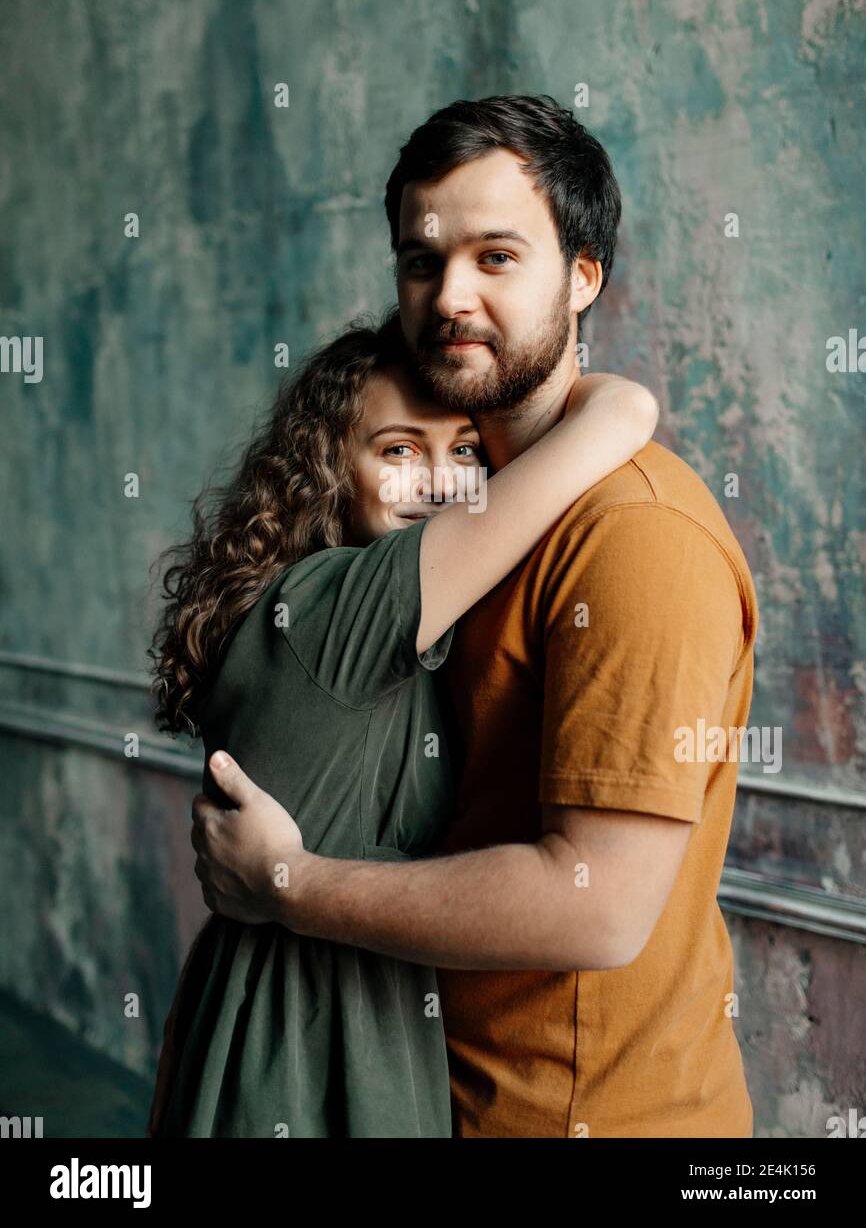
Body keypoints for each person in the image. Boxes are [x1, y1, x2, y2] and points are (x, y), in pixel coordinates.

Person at [188, 94, 760, 1139]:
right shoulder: (446, 525)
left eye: (496, 256)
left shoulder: (636, 537)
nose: (450, 295)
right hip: (424, 1090)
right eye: (422, 260)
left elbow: (598, 906)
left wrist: (291, 883)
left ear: (582, 277)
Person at [147, 310, 658, 1138]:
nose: (441, 482)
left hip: (349, 1003)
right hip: (303, 1030)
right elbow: (625, 413)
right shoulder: (333, 605)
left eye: (464, 451)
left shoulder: (373, 618)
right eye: (398, 451)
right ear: (327, 471)